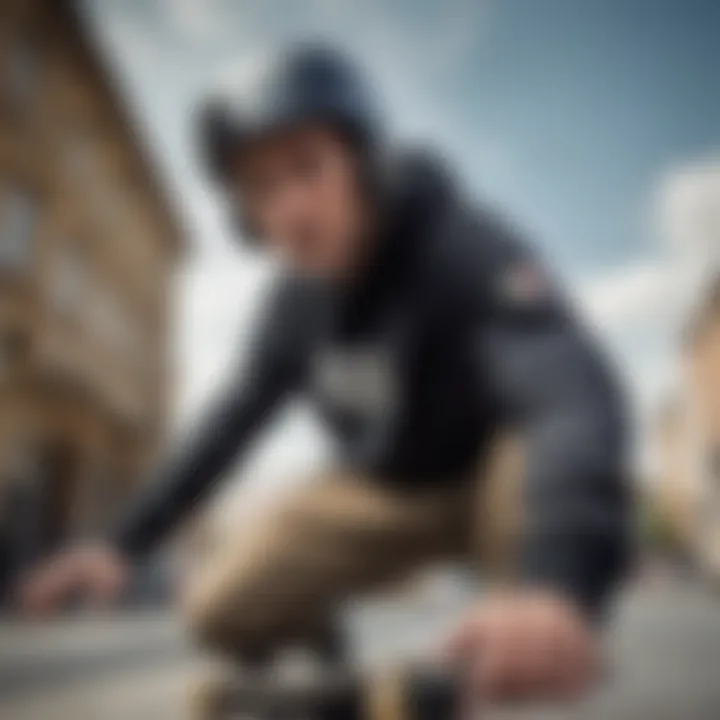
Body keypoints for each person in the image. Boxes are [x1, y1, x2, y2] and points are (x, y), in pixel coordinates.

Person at [19, 43, 631, 704]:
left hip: (488, 470)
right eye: (261, 188)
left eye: (307, 168)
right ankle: (330, 670)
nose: (290, 209)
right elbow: (228, 423)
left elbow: (564, 390)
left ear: (359, 164)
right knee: (216, 610)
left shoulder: (456, 243)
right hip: (382, 487)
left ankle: (482, 653)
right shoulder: (293, 306)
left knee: (532, 526)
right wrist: (124, 544)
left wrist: (557, 580)